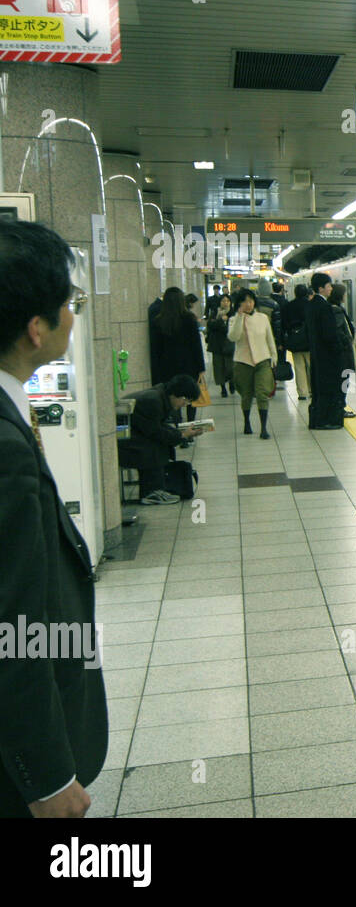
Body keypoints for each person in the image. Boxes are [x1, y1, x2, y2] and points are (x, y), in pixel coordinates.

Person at [0, 219, 108, 817]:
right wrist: (45, 776)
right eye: (69, 304)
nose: (75, 316)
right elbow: (10, 624)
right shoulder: (7, 450)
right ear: (36, 329)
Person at [118, 375, 203, 505]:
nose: (184, 405)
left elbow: (156, 427)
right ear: (177, 395)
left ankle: (156, 488)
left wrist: (180, 433)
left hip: (130, 435)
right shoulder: (153, 401)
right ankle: (151, 492)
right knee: (156, 445)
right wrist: (182, 436)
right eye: (185, 401)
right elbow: (155, 432)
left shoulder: (159, 397)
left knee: (159, 442)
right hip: (123, 442)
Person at [149, 286, 205, 424]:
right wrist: (201, 368)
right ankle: (190, 425)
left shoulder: (158, 321)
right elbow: (196, 345)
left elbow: (155, 349)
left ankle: (178, 426)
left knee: (174, 398)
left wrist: (155, 373)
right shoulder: (189, 319)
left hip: (167, 368)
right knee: (190, 396)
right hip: (189, 366)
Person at [227, 287, 277, 439]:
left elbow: (270, 338)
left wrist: (274, 356)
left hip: (262, 360)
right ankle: (247, 422)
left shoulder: (262, 318)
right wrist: (240, 317)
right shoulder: (233, 319)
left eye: (250, 301)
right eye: (244, 301)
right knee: (246, 394)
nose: (248, 304)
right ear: (239, 304)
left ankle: (263, 428)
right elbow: (233, 337)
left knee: (262, 393)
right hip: (243, 361)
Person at [306, 272, 346, 429]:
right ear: (321, 288)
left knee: (318, 389)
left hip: (316, 354)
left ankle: (316, 419)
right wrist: (339, 350)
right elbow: (329, 334)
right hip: (327, 357)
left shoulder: (310, 305)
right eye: (329, 286)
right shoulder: (324, 307)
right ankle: (324, 421)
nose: (331, 289)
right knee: (327, 388)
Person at [327, 281, 356, 418]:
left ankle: (339, 407)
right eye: (344, 293)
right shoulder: (337, 310)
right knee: (344, 382)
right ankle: (340, 408)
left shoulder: (332, 308)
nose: (346, 296)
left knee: (342, 381)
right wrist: (347, 343)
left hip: (342, 355)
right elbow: (341, 332)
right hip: (343, 355)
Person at [282, 283, 312, 400]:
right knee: (310, 366)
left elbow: (284, 324)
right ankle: (311, 390)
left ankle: (302, 393)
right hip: (309, 341)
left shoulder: (288, 306)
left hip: (295, 341)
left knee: (299, 367)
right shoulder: (310, 305)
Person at [205, 293, 235, 397]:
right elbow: (210, 325)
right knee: (218, 368)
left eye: (227, 301)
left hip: (230, 344)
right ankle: (223, 388)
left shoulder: (233, 313)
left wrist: (220, 325)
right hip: (216, 344)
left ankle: (232, 381)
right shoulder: (214, 313)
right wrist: (221, 321)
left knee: (230, 367)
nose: (225, 303)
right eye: (223, 301)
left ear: (230, 303)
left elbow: (233, 328)